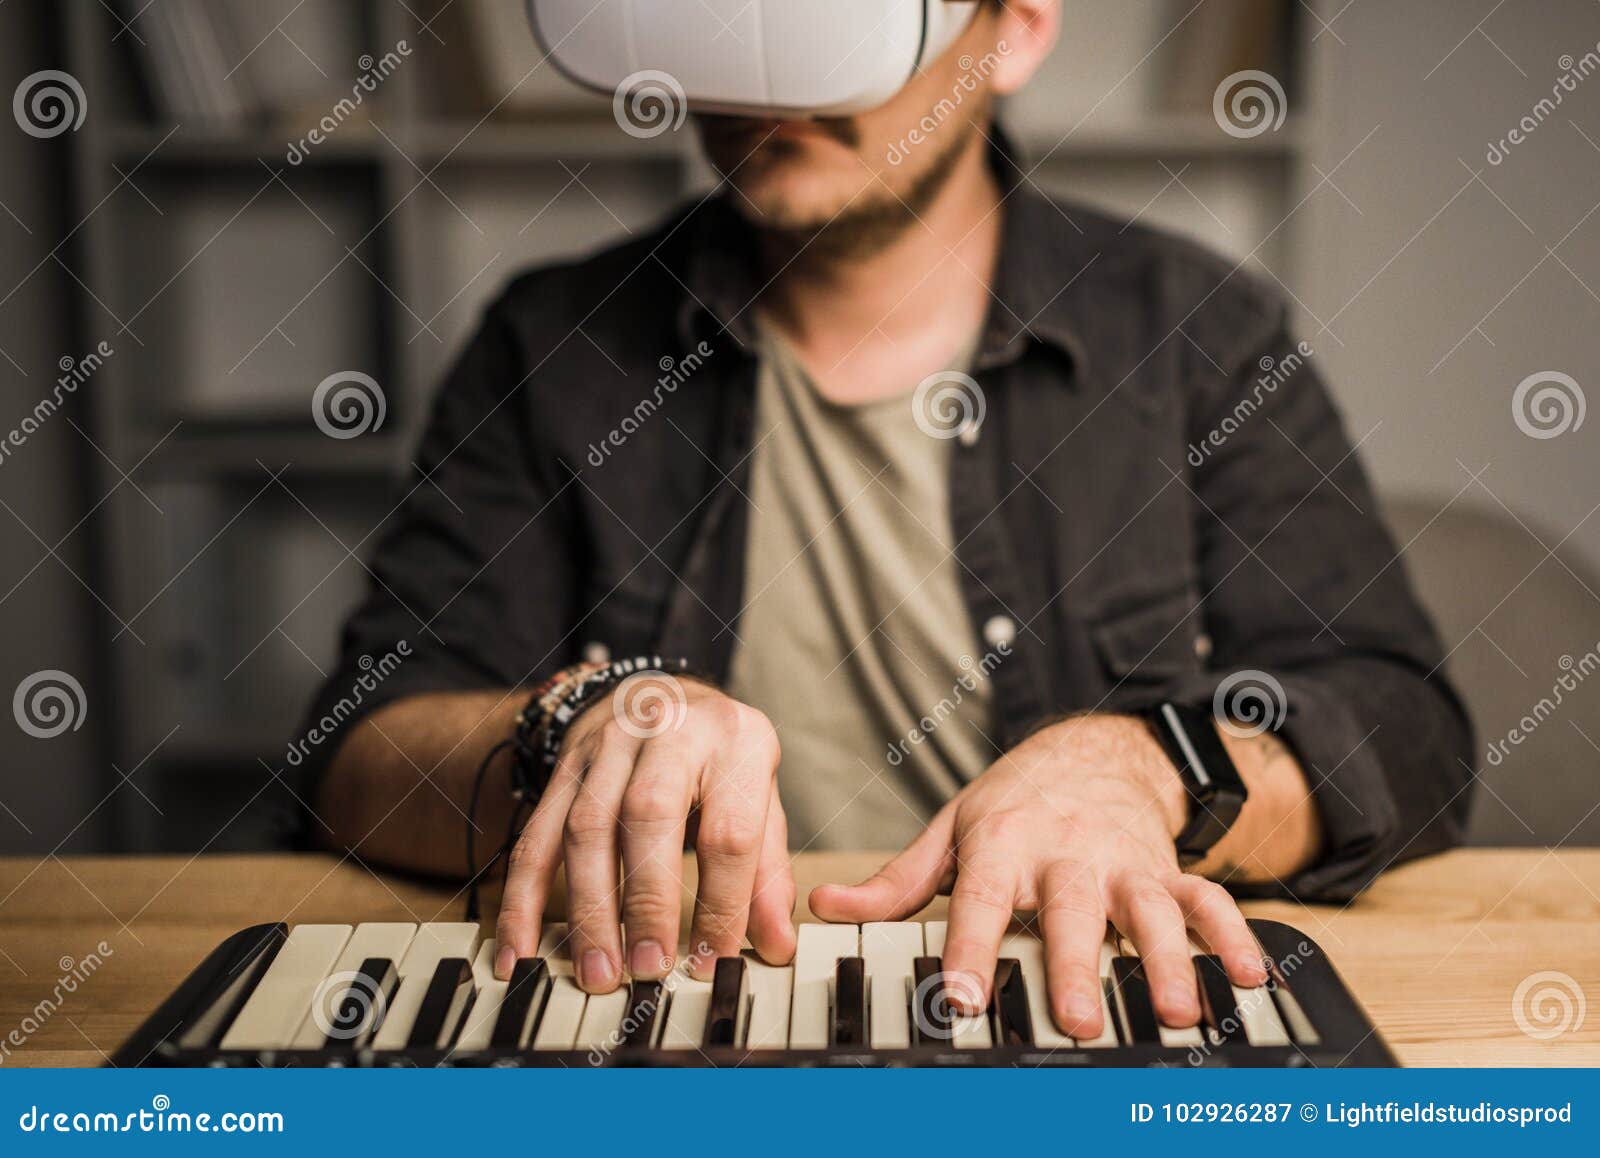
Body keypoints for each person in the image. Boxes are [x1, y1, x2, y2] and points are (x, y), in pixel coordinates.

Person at [300, 0, 1473, 1038]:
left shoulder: (1193, 331)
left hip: (1067, 998)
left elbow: (1403, 724)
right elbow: (353, 759)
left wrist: (1153, 767)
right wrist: (571, 727)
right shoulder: (554, 342)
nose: (769, 86)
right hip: (666, 1000)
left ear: (1013, 28)